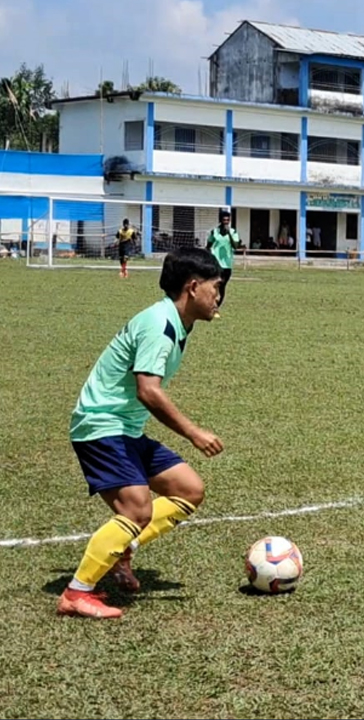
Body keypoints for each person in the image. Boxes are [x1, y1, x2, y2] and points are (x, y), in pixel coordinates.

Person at [57, 248, 225, 619]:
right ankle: (75, 593)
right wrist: (194, 433)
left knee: (188, 490)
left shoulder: (175, 322)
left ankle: (123, 549)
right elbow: (147, 390)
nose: (219, 296)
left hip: (124, 428)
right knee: (137, 508)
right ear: (193, 287)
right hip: (100, 425)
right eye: (217, 287)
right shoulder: (160, 325)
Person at [205, 210, 240, 317]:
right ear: (220, 220)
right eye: (224, 219)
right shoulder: (214, 232)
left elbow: (236, 246)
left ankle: (215, 309)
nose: (226, 222)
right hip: (216, 264)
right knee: (214, 286)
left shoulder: (233, 232)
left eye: (228, 220)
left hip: (227, 266)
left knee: (222, 287)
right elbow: (208, 245)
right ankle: (210, 306)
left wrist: (229, 233)